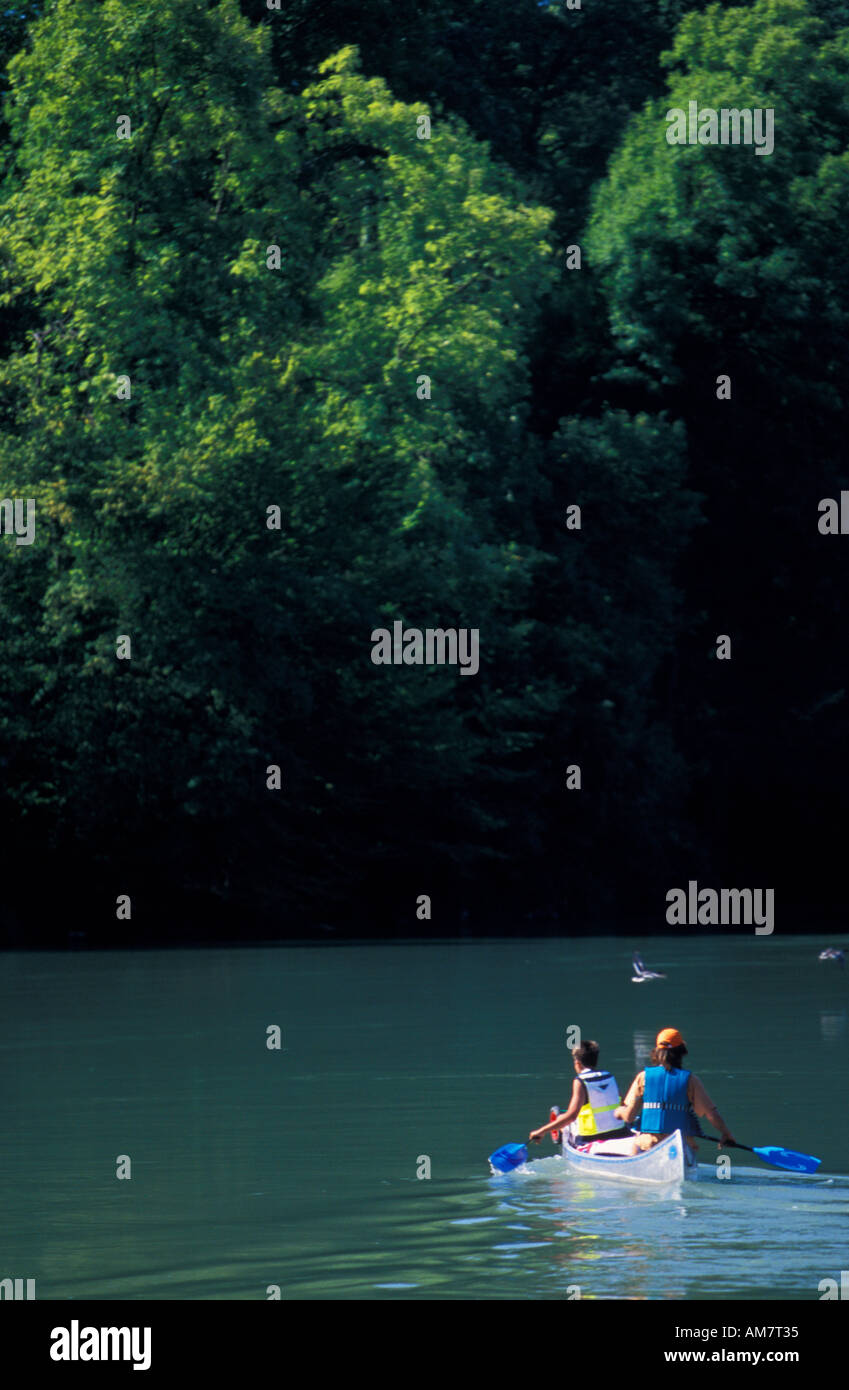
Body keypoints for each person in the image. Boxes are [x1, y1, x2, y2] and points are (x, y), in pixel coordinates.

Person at [588, 1027, 736, 1156]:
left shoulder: (643, 1077)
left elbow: (629, 1116)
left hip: (649, 1145)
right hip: (681, 1146)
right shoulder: (691, 1080)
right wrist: (726, 1134)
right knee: (689, 1147)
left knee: (635, 1144)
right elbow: (711, 1114)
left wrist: (618, 1112)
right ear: (681, 1052)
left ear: (656, 1052)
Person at [529, 1039, 632, 1147]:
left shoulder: (580, 1081)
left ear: (577, 1063)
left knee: (563, 1123)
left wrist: (542, 1130)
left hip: (591, 1139)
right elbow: (621, 1103)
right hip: (621, 1133)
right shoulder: (609, 1077)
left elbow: (571, 1116)